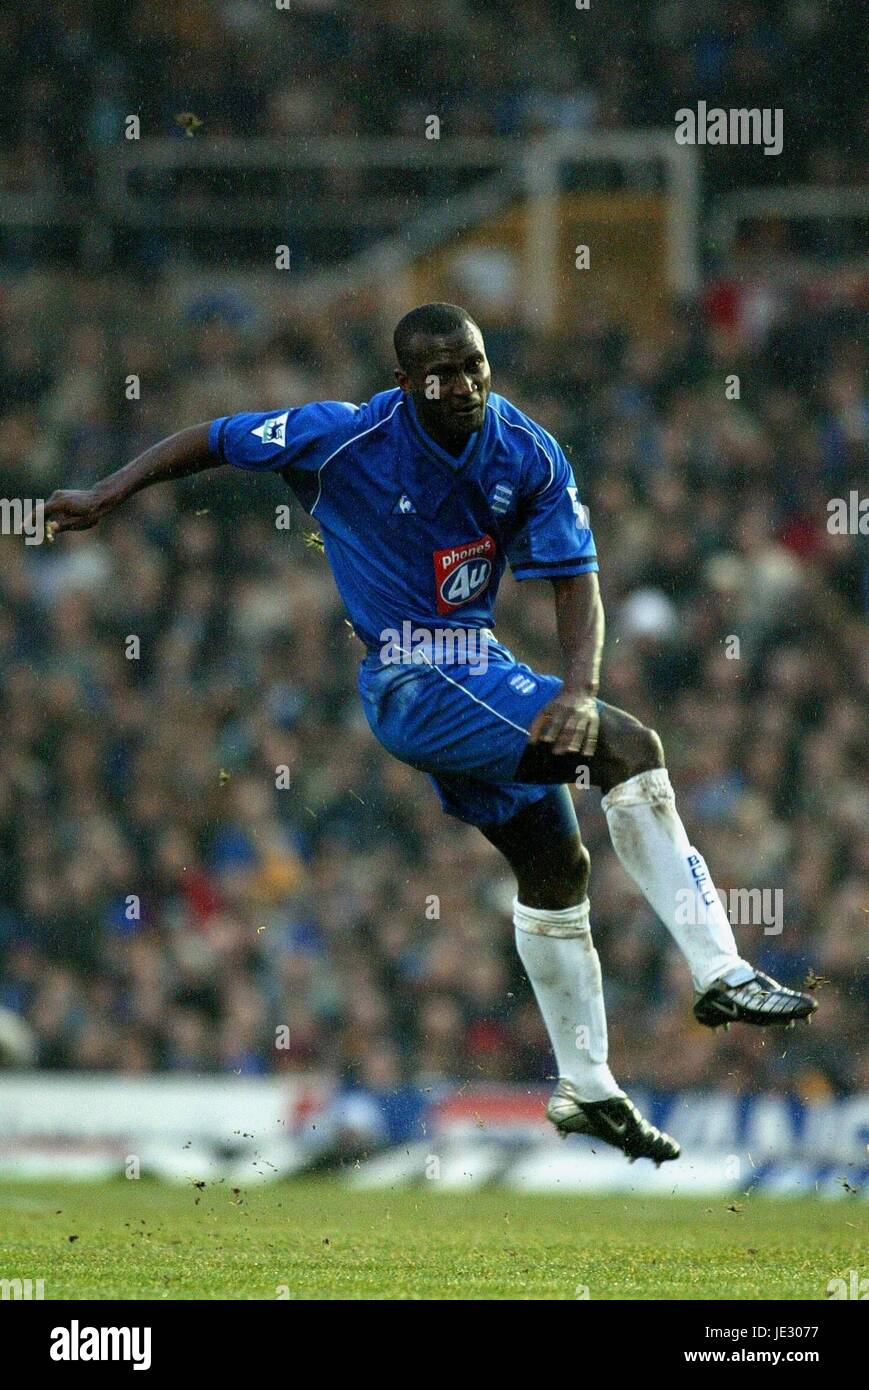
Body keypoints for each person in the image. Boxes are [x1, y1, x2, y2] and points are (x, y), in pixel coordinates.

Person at [44, 302, 817, 1164]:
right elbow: (214, 438)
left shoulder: (525, 450)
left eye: (476, 365)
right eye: (441, 373)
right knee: (628, 749)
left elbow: (575, 578)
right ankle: (719, 970)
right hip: (412, 677)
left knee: (557, 867)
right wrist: (108, 492)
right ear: (404, 381)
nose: (464, 386)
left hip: (475, 668)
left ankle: (586, 1088)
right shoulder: (339, 436)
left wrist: (581, 686)